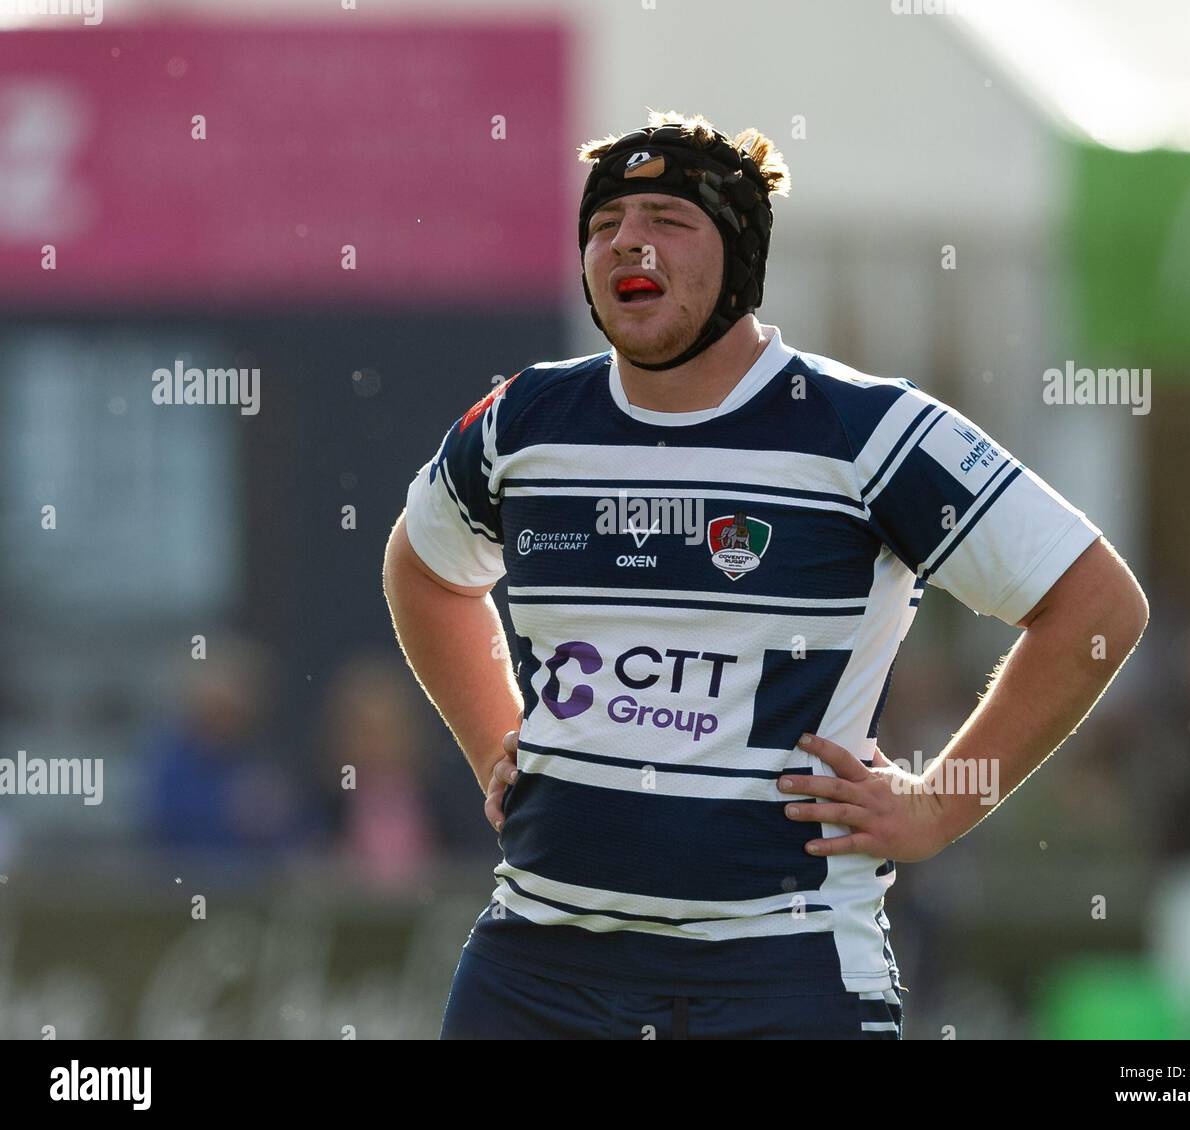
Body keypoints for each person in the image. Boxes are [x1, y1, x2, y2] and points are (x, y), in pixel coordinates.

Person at [383, 110, 1148, 1040]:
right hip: (536, 966)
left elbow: (1096, 605)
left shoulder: (866, 429)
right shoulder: (525, 420)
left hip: (783, 976)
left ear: (740, 256)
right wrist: (490, 738)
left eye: (668, 219)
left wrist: (940, 805)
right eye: (603, 225)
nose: (628, 241)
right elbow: (422, 569)